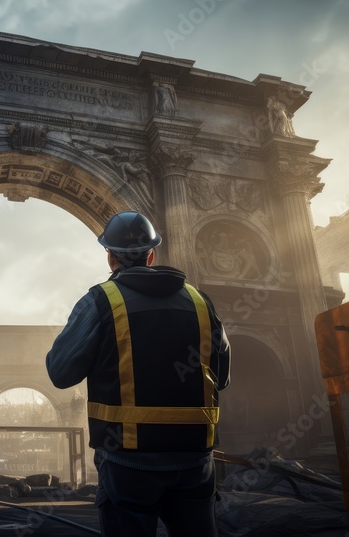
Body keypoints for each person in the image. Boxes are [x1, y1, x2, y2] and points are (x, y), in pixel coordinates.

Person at [46, 211, 231, 537]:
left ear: (110, 255)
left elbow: (61, 373)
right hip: (194, 459)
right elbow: (223, 377)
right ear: (152, 254)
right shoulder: (201, 302)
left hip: (128, 462)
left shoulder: (100, 302)